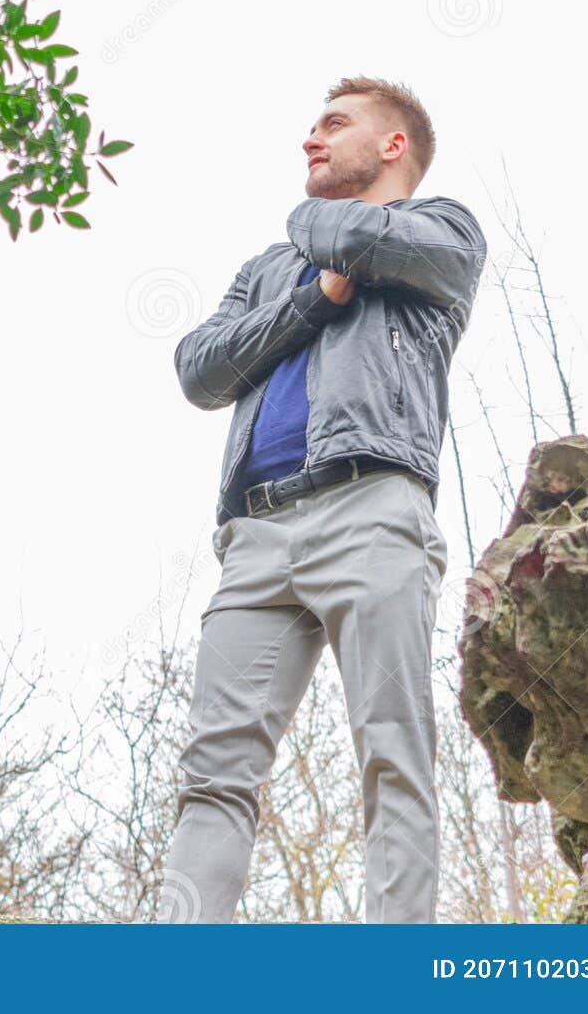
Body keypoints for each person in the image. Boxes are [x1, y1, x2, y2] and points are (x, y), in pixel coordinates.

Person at [156, 76, 487, 923]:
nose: (310, 139)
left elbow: (329, 228)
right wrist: (311, 298)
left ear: (393, 146)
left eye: (332, 125)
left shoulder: (442, 230)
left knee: (393, 749)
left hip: (372, 506)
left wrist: (323, 245)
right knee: (214, 771)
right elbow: (201, 368)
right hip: (255, 535)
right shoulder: (270, 270)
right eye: (309, 126)